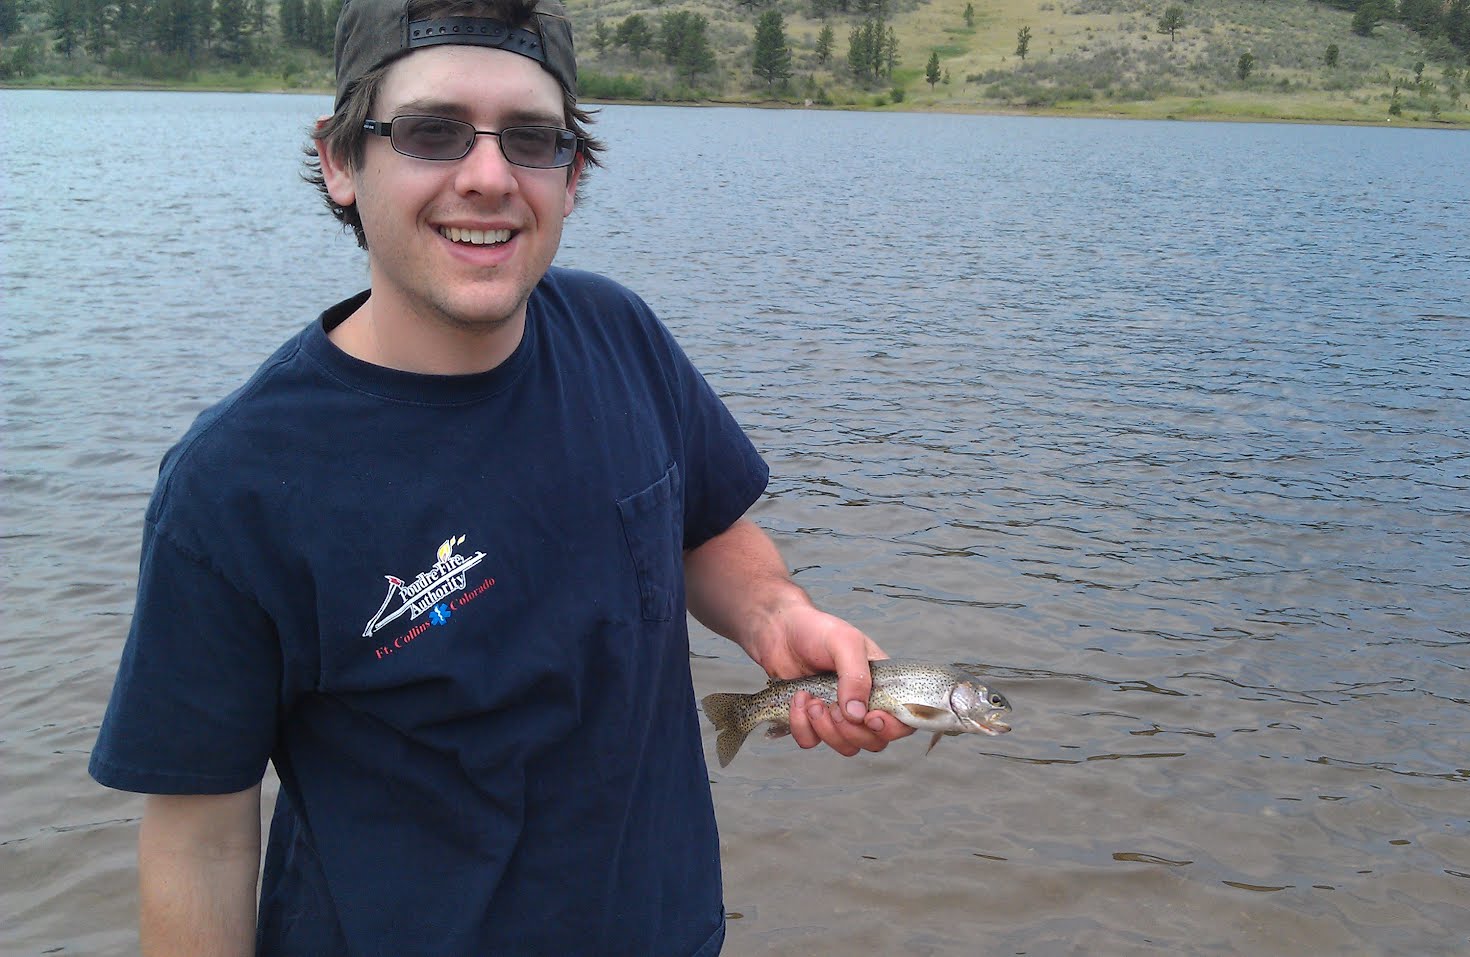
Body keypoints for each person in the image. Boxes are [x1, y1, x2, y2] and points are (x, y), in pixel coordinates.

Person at [87, 0, 913, 953]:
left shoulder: (621, 337)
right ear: (341, 161)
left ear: (572, 174)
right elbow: (201, 839)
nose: (488, 176)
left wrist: (776, 616)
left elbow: (699, 528)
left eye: (532, 138)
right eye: (433, 132)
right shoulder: (232, 483)